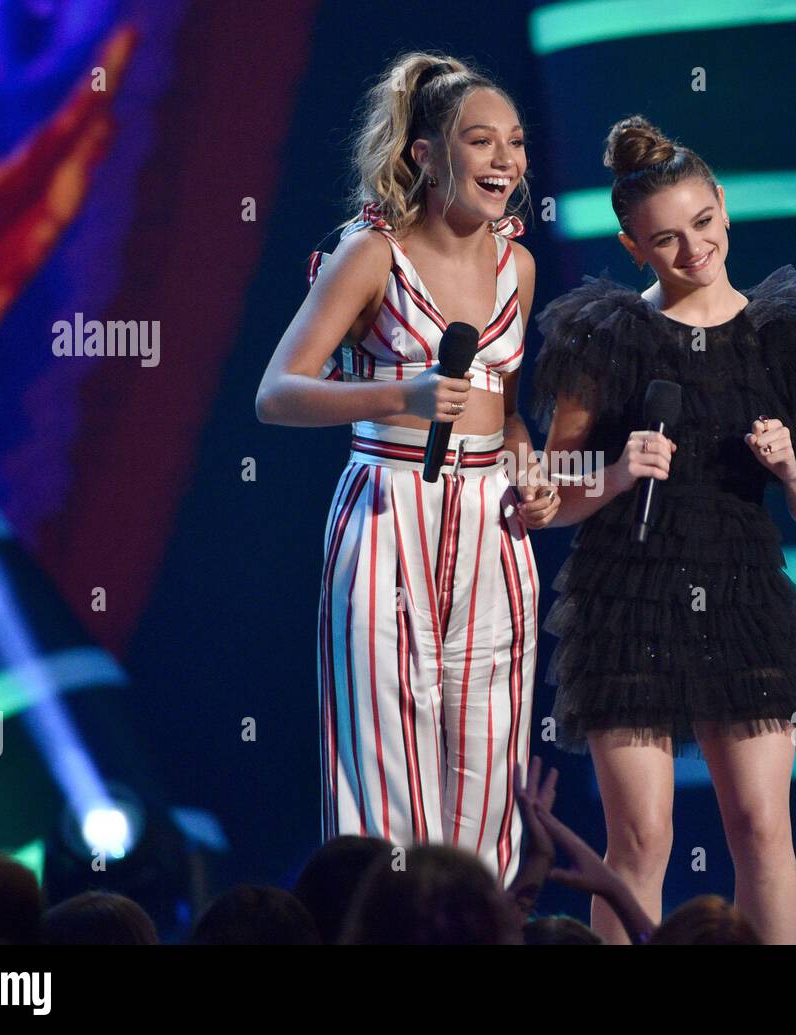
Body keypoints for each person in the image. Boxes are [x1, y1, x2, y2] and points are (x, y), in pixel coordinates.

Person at [530, 115, 796, 943]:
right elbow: (549, 491)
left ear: (724, 207)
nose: (694, 250)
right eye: (666, 240)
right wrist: (618, 474)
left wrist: (791, 468)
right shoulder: (607, 335)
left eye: (702, 224)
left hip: (742, 597)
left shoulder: (784, 336)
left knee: (763, 827)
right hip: (627, 597)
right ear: (634, 248)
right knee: (641, 837)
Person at [255, 52, 559, 889]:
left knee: (488, 771)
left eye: (517, 144)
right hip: (388, 515)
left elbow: (509, 407)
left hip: (493, 529)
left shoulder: (518, 267)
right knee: (386, 773)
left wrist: (529, 468)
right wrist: (402, 395)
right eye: (482, 142)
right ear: (426, 153)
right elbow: (275, 394)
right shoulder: (371, 253)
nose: (506, 162)